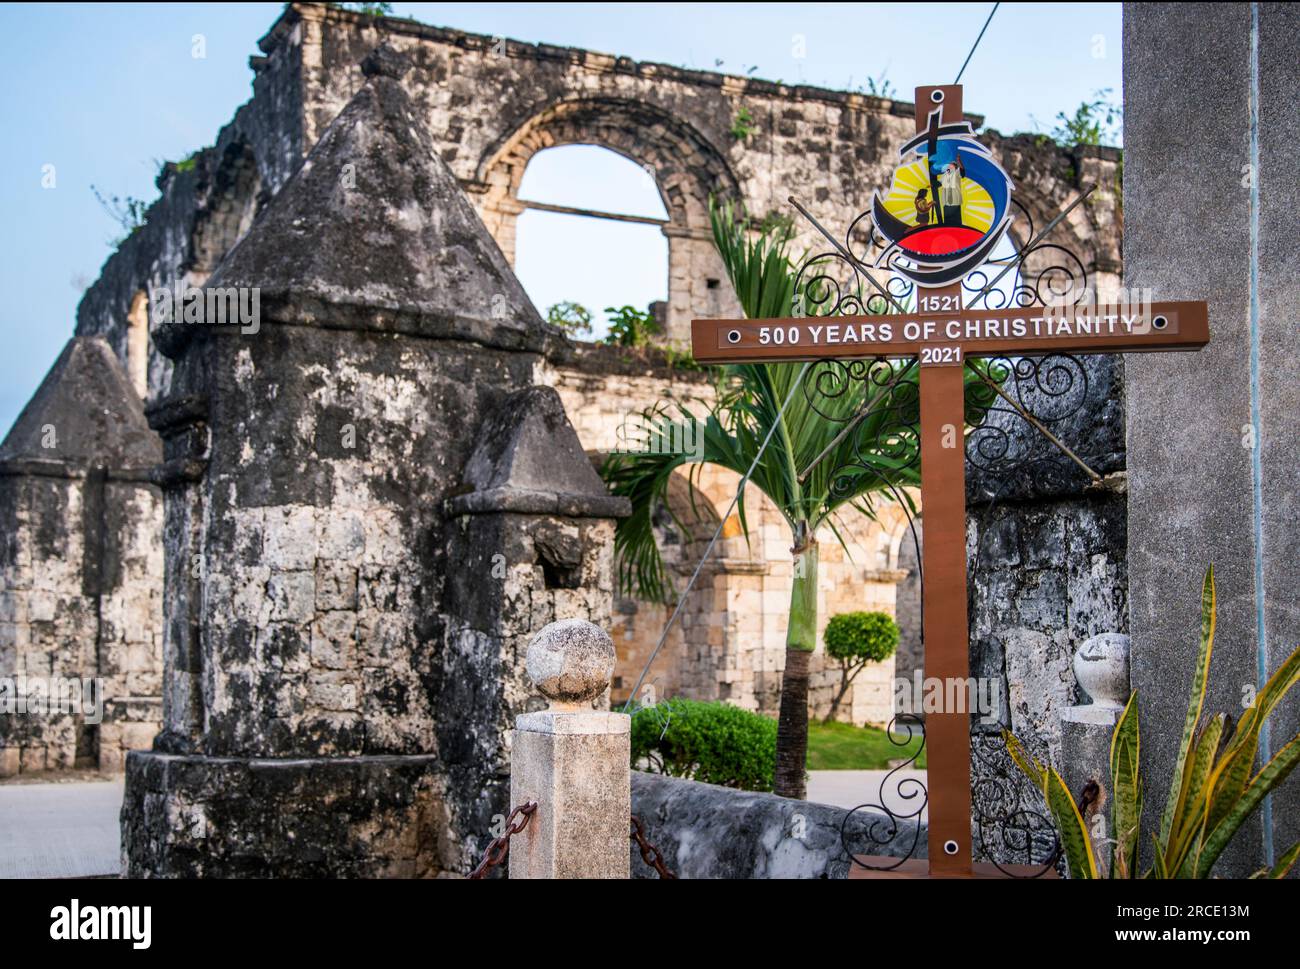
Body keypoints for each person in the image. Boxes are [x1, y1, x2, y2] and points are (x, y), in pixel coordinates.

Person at [938, 156, 964, 227]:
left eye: (951, 165)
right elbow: (938, 183)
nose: (949, 166)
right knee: (948, 223)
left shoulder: (956, 173)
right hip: (946, 203)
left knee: (957, 222)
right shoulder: (944, 175)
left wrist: (958, 161)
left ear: (955, 167)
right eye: (949, 165)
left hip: (955, 201)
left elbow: (962, 170)